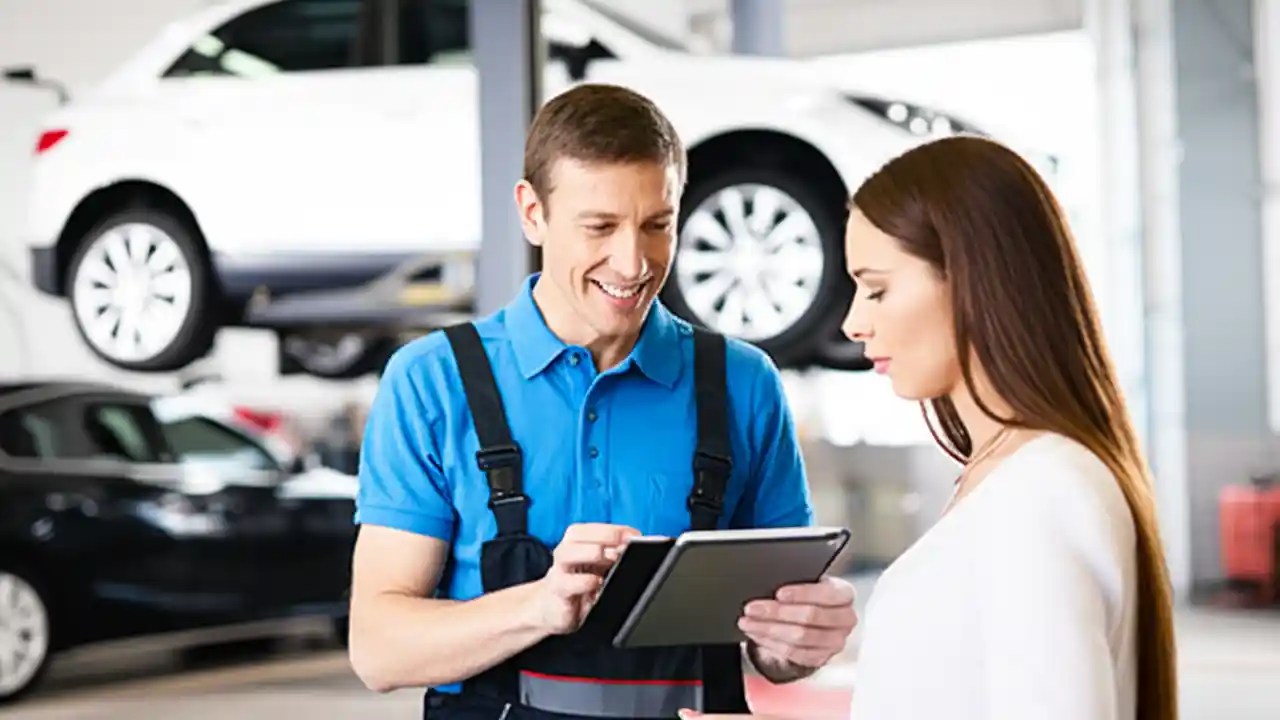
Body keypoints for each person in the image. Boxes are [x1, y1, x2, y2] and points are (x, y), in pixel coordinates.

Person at [346, 82, 858, 720]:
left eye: (656, 225)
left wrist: (802, 641)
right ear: (533, 212)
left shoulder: (743, 383)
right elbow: (378, 652)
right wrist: (538, 606)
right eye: (600, 227)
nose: (633, 261)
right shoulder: (432, 381)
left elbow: (775, 650)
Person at [689, 135, 1178, 720]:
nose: (853, 323)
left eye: (877, 289)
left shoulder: (1042, 492)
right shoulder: (1007, 478)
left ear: (974, 278)